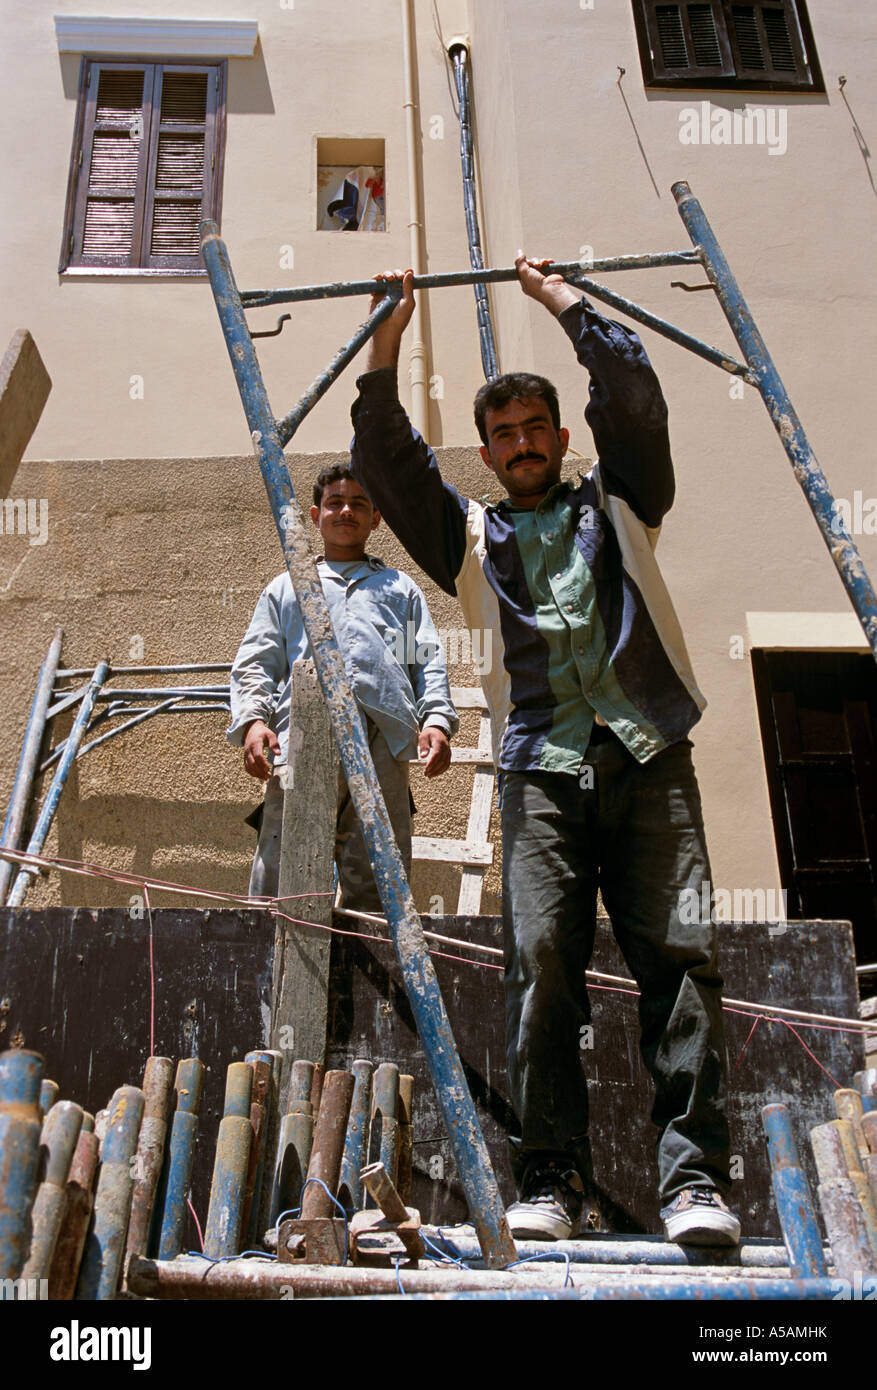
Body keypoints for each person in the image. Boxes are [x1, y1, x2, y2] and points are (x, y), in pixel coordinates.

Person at [348, 256, 740, 1247]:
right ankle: (550, 1178)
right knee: (539, 965)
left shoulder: (621, 501)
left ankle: (694, 1182)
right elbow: (389, 456)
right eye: (502, 434)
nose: (520, 444)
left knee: (680, 962)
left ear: (561, 438)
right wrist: (387, 335)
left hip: (653, 758)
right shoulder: (469, 537)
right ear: (486, 451)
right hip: (539, 770)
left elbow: (635, 400)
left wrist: (560, 300)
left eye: (535, 428)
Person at [227, 462, 458, 913]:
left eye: (359, 503)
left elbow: (425, 661)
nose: (346, 510)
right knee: (283, 880)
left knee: (379, 884)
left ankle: (370, 978)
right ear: (316, 516)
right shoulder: (288, 588)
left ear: (376, 518)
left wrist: (436, 720)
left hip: (383, 745)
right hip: (301, 741)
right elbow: (257, 662)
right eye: (335, 502)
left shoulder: (398, 589)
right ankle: (274, 974)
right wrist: (254, 722)